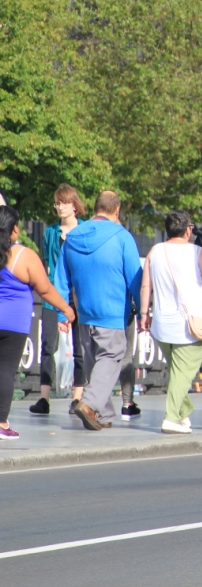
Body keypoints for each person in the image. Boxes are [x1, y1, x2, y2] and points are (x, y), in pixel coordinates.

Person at [139, 211, 202, 434]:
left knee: (176, 370)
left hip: (161, 325)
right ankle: (171, 417)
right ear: (188, 230)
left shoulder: (155, 251)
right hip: (190, 325)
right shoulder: (197, 252)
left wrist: (144, 314)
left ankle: (182, 413)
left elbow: (146, 287)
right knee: (183, 373)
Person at [55, 191, 142, 430]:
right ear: (117, 211)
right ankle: (90, 403)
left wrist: (63, 312)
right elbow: (135, 279)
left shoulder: (72, 237)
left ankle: (102, 415)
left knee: (94, 361)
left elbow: (60, 279)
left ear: (95, 208)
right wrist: (143, 310)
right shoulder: (122, 237)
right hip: (112, 311)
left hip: (85, 312)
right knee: (111, 356)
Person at [0, 206, 76, 440]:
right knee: (5, 370)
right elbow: (44, 289)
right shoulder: (23, 255)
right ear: (14, 228)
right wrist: (66, 308)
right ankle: (1, 422)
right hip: (14, 323)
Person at [29, 184, 88, 417]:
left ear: (75, 204)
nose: (60, 207)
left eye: (64, 202)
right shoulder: (50, 232)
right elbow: (48, 264)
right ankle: (44, 398)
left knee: (80, 347)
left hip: (79, 295)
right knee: (48, 346)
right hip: (53, 295)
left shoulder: (86, 229)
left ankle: (77, 397)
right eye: (57, 203)